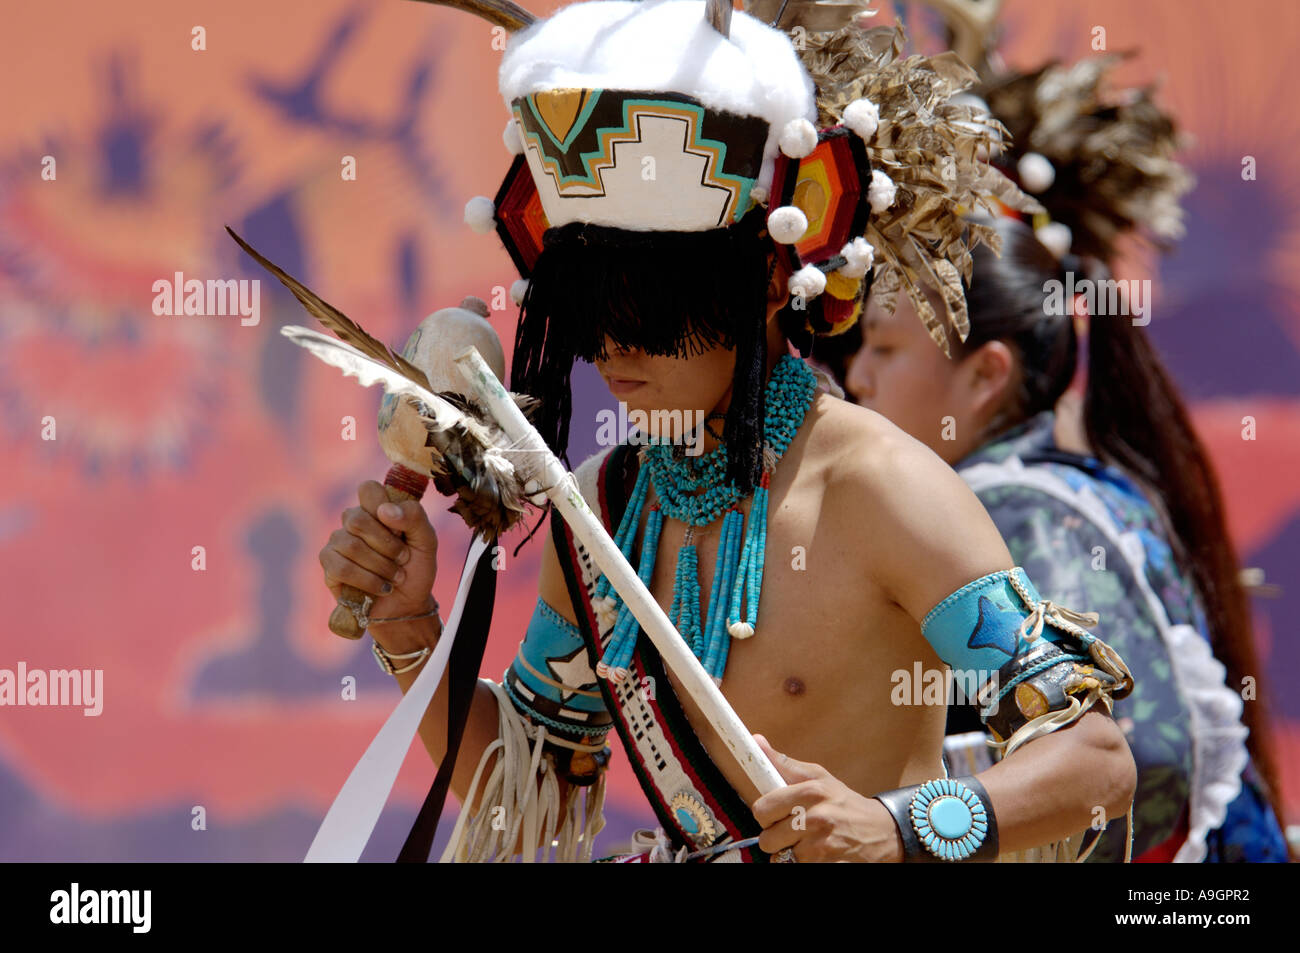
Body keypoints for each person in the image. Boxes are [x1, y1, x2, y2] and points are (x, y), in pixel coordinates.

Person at [317, 0, 1137, 863]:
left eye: (656, 306)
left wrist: (895, 827)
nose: (615, 345)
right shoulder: (602, 507)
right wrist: (411, 628)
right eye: (595, 308)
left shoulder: (879, 486)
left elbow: (1093, 754)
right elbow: (536, 792)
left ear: (772, 287)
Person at [844, 215, 1289, 862]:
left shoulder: (1017, 508)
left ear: (984, 375)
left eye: (883, 349)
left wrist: (924, 827)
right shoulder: (1048, 490)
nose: (857, 376)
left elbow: (1145, 760)